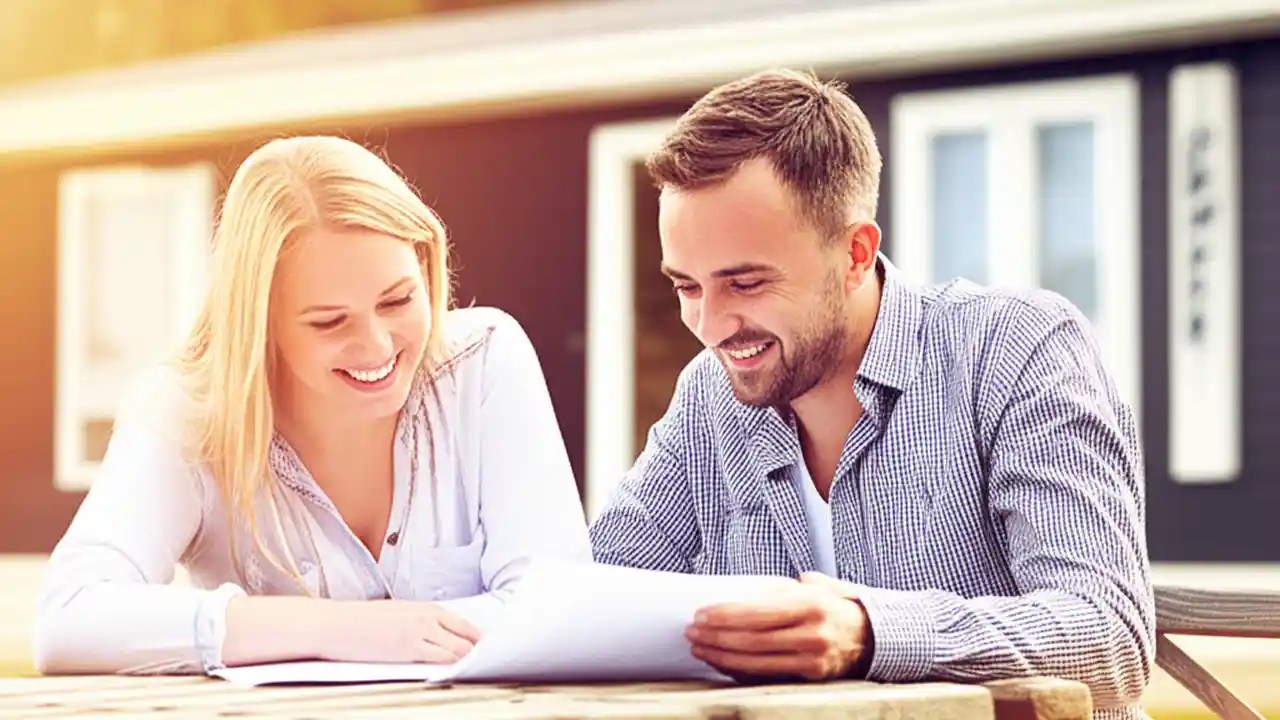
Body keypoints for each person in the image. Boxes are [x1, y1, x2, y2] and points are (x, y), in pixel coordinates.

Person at [588, 69, 1154, 719]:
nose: (711, 327)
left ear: (855, 253)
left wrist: (869, 631)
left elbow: (1107, 637)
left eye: (745, 284)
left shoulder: (1015, 349)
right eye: (687, 286)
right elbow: (600, 585)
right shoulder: (709, 398)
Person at [34, 136, 590, 675]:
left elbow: (558, 607)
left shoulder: (483, 362)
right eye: (330, 322)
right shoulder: (191, 413)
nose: (377, 346)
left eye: (397, 300)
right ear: (260, 324)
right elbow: (70, 619)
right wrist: (340, 630)